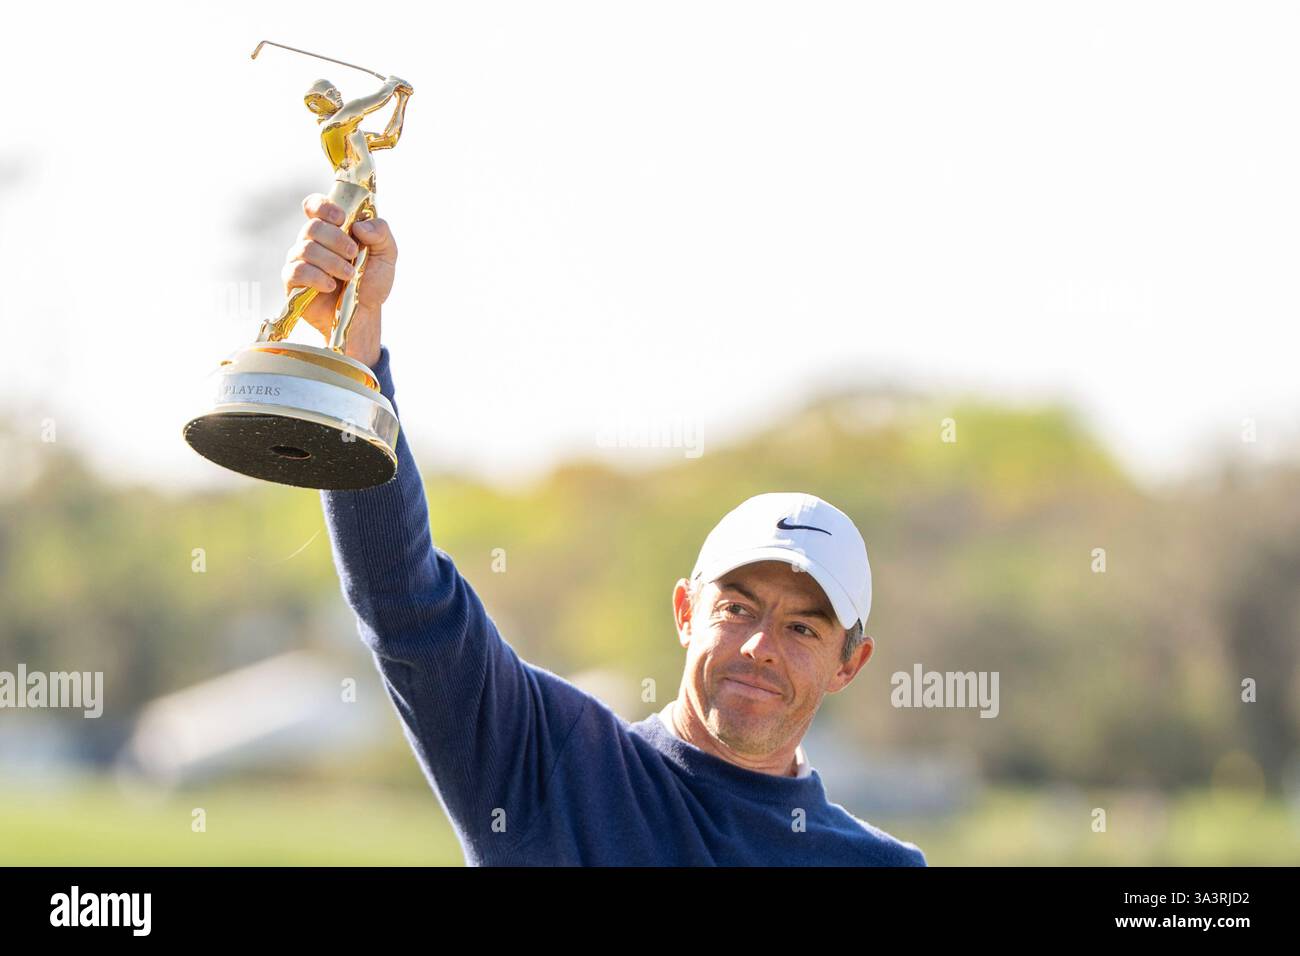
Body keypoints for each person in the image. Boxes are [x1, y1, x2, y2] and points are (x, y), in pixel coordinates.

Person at [293, 195, 926, 865]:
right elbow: (403, 599)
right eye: (737, 608)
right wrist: (355, 361)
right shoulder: (554, 763)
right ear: (686, 611)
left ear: (849, 665)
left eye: (803, 628)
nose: (761, 647)